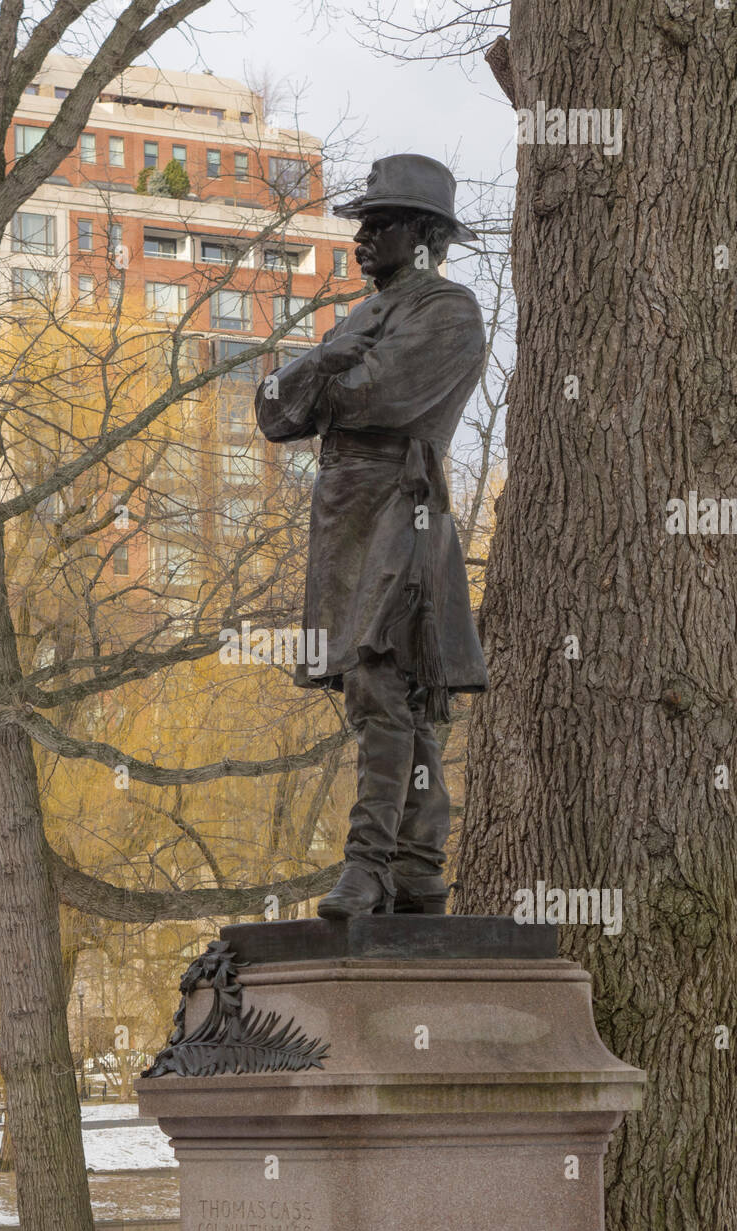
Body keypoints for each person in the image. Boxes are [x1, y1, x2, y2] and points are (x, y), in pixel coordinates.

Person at [255, 154, 489, 919]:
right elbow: (275, 414)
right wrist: (320, 359)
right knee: (392, 696)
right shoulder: (355, 320)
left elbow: (380, 398)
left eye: (378, 224)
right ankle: (419, 870)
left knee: (382, 681)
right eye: (361, 223)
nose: (361, 238)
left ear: (423, 235)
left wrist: (326, 381)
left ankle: (369, 866)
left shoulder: (448, 310)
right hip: (342, 515)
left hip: (402, 505)